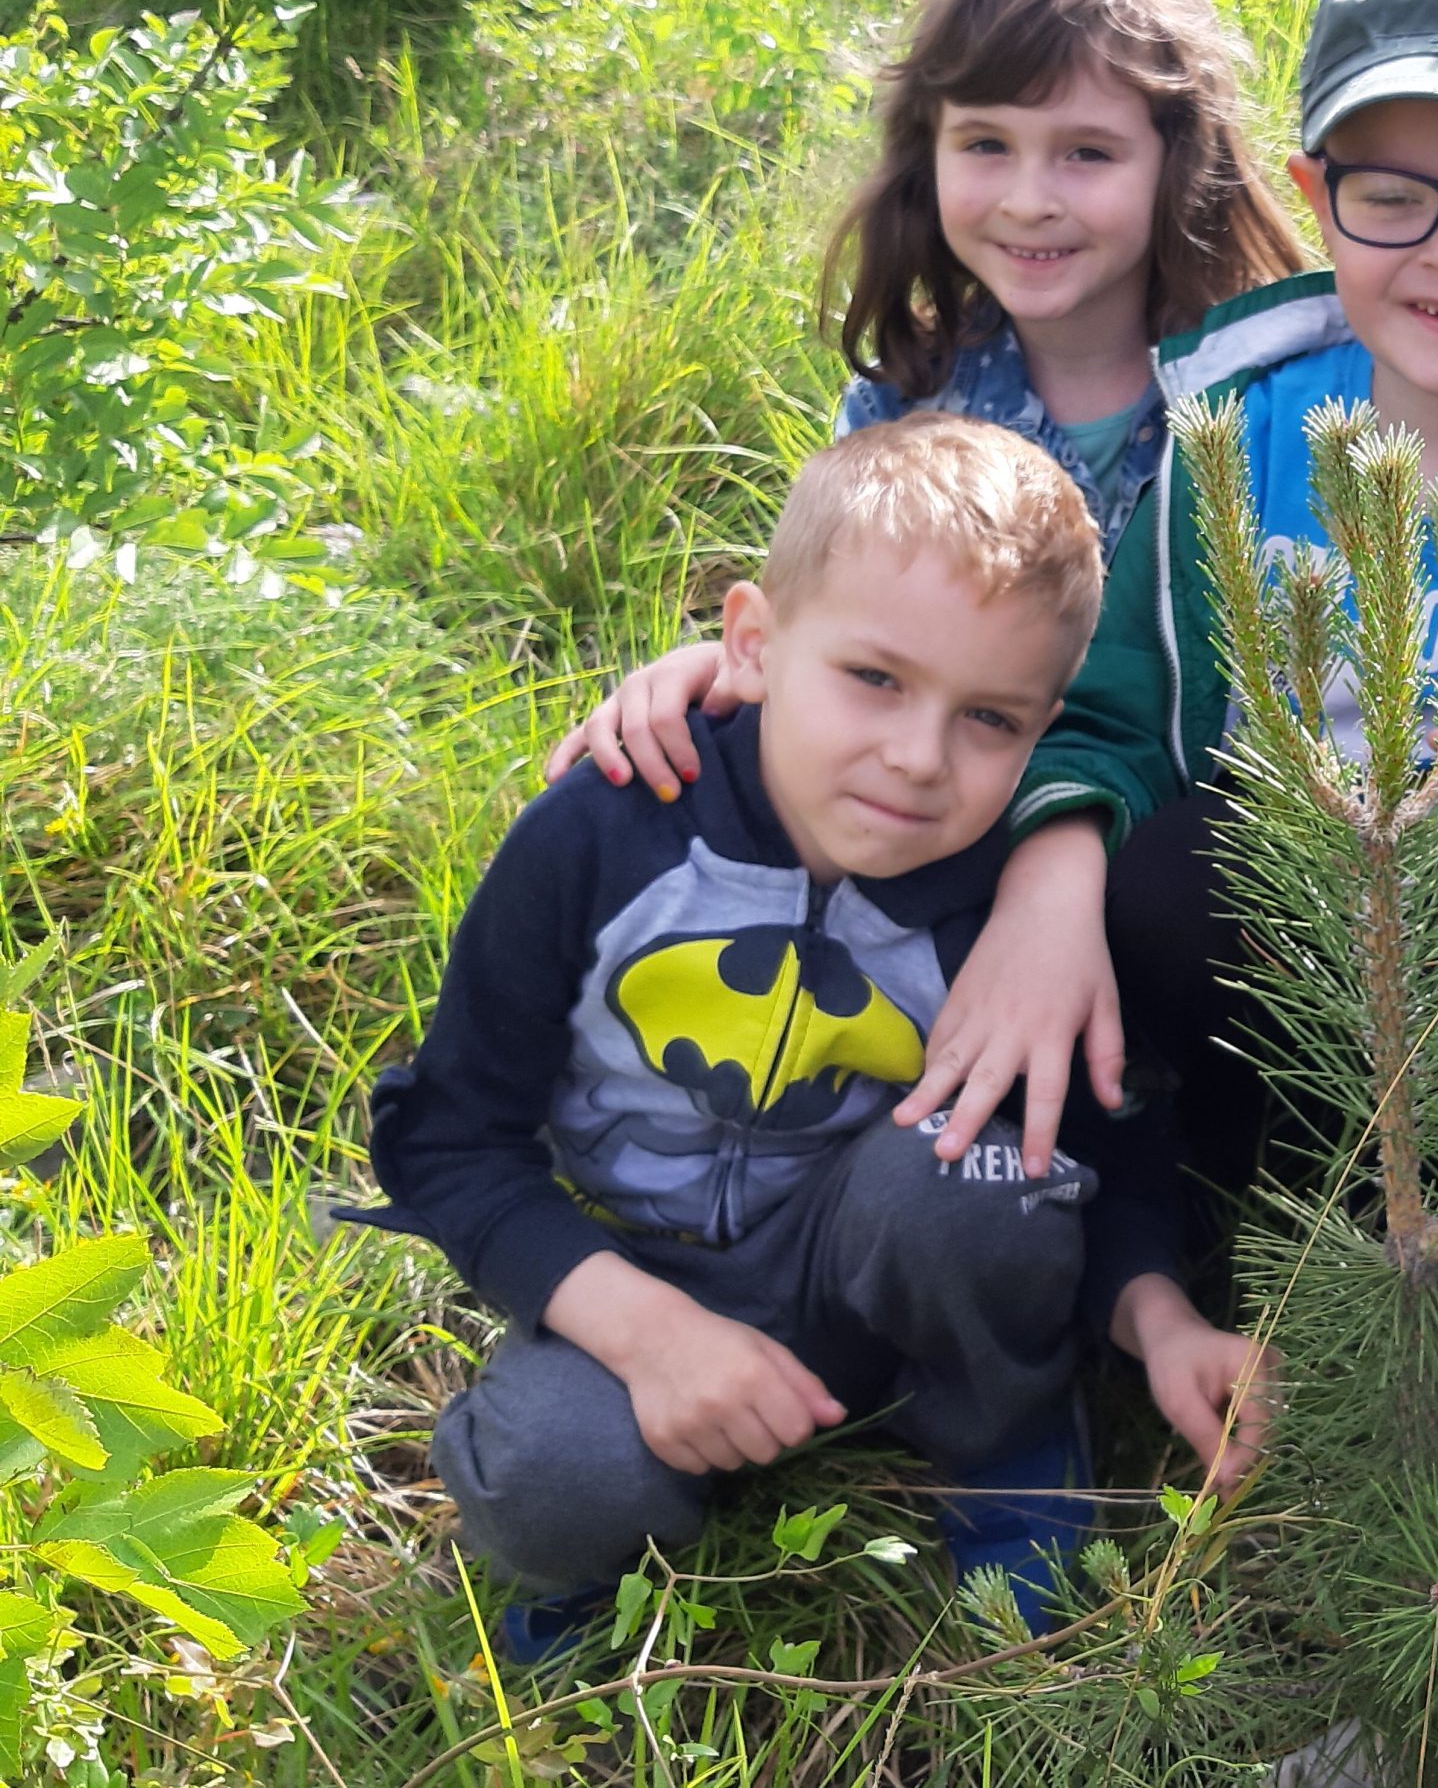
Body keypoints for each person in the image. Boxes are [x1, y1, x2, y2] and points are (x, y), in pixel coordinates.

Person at [353, 416, 1264, 1659]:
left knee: (966, 1183)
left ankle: (1000, 1439)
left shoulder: (1016, 907)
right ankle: (611, 1539)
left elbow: (1103, 1142)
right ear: (752, 643)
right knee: (549, 1481)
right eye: (874, 679)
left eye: (989, 719)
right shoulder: (598, 833)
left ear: (1043, 728)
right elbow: (449, 1140)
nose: (918, 758)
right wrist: (645, 1332)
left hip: (875, 1261)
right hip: (632, 1278)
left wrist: (1158, 1319)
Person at [550, 0, 1438, 803]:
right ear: (925, 154)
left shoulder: (1249, 386)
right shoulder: (912, 398)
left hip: (1166, 827)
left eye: (1087, 153)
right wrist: (723, 668)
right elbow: (831, 628)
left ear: (1178, 162)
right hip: (945, 792)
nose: (1030, 199)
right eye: (986, 145)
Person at [901, 0, 1438, 1233]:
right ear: (1315, 194)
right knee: (1162, 868)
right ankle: (1229, 1202)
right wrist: (1051, 876)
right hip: (1261, 966)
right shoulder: (1242, 435)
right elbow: (1114, 712)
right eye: (1391, 196)